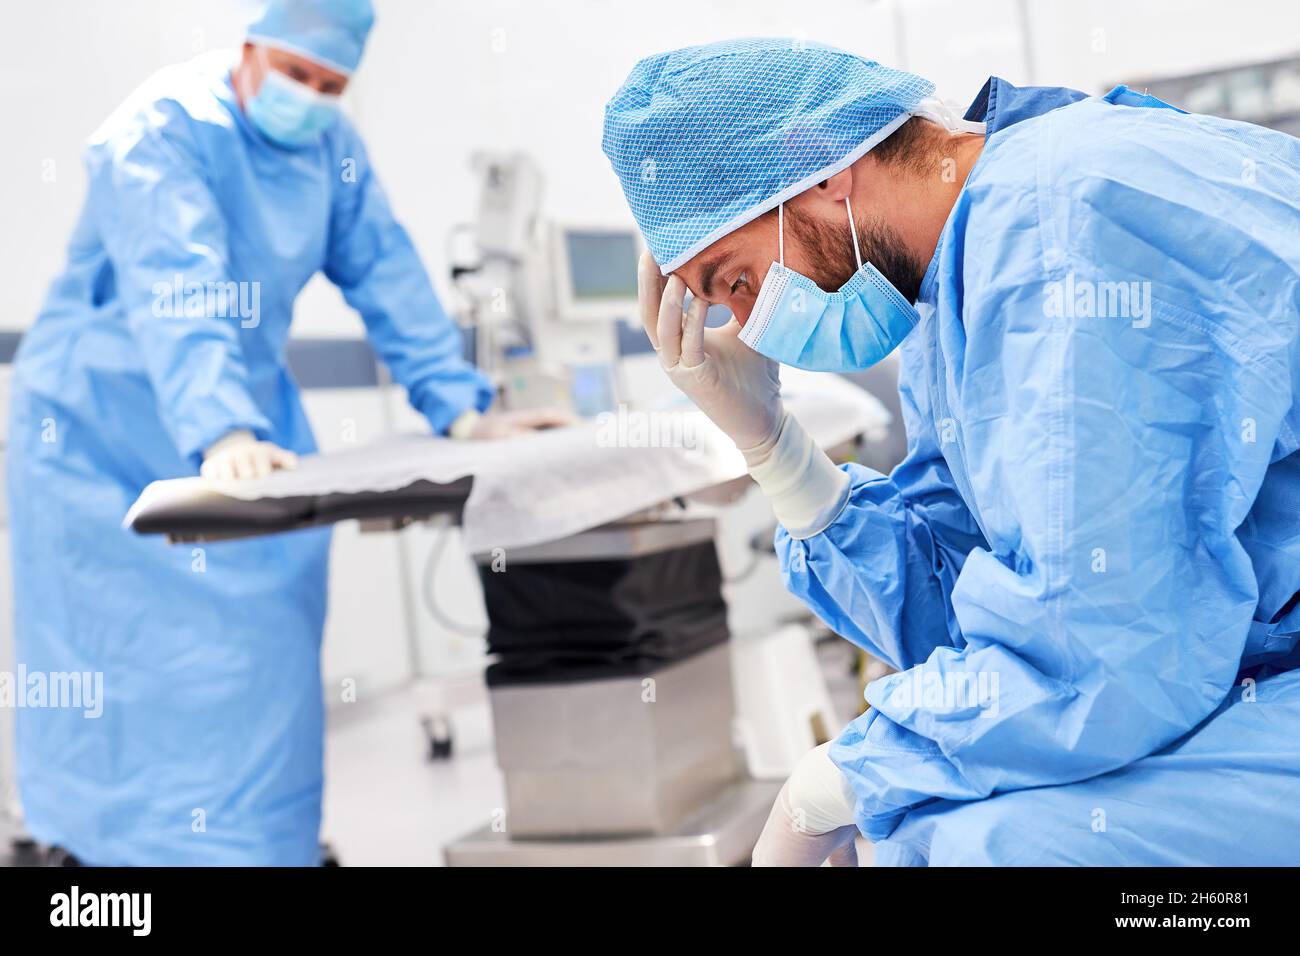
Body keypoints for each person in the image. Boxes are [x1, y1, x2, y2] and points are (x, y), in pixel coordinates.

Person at [602, 38, 1300, 865]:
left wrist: (844, 775)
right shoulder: (955, 288)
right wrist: (775, 448)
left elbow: (1105, 646)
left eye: (738, 282)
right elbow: (958, 616)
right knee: (931, 826)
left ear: (821, 169)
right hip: (1230, 664)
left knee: (977, 848)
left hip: (1213, 667)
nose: (752, 329)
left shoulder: (1059, 229)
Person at [7, 0, 564, 866]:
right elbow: (179, 280)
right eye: (296, 72)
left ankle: (257, 845)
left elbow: (383, 265)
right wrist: (219, 426)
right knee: (121, 664)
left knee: (259, 648)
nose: (310, 95)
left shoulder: (331, 149)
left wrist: (458, 405)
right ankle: (102, 853)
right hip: (96, 436)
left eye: (331, 84)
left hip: (239, 421)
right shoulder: (160, 130)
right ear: (249, 49)